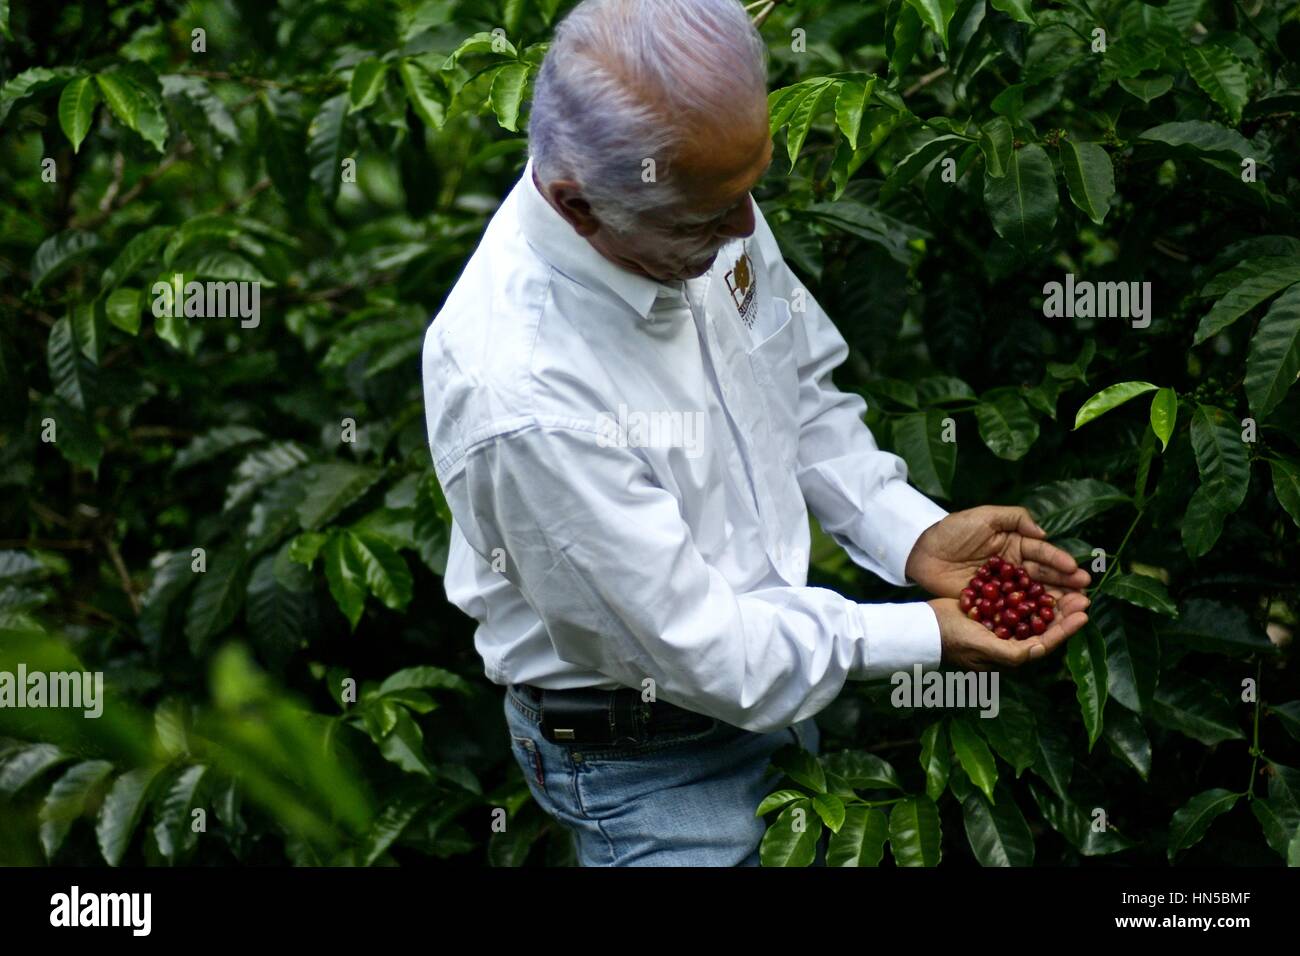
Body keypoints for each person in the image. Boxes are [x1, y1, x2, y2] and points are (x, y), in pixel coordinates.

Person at [420, 0, 1091, 866]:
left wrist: (910, 533)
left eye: (751, 190)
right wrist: (926, 632)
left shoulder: (693, 196)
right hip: (651, 767)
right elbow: (702, 650)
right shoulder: (521, 391)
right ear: (577, 206)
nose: (744, 230)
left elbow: (797, 393)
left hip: (785, 694)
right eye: (708, 218)